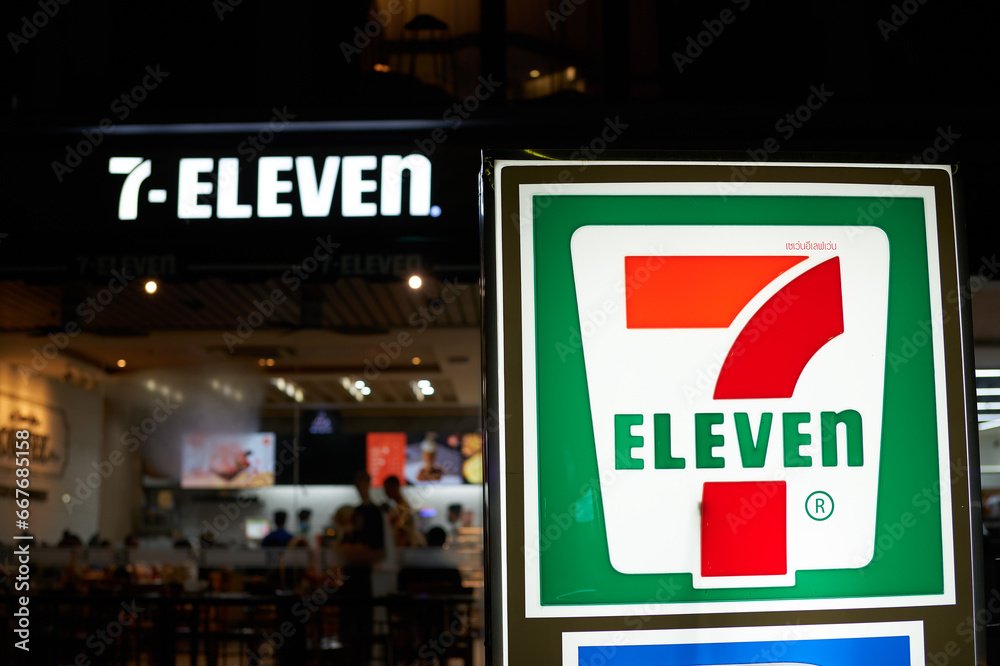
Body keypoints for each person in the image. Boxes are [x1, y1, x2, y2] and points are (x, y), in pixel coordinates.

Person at [336, 471, 386, 664]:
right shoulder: (359, 511)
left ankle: (361, 660)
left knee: (362, 626)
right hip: (354, 577)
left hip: (362, 577)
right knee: (350, 626)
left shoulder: (372, 512)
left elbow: (376, 547)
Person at [383, 475, 426, 548]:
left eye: (387, 488)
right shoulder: (398, 507)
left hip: (404, 551)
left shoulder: (403, 508)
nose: (386, 492)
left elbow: (404, 534)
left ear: (396, 487)